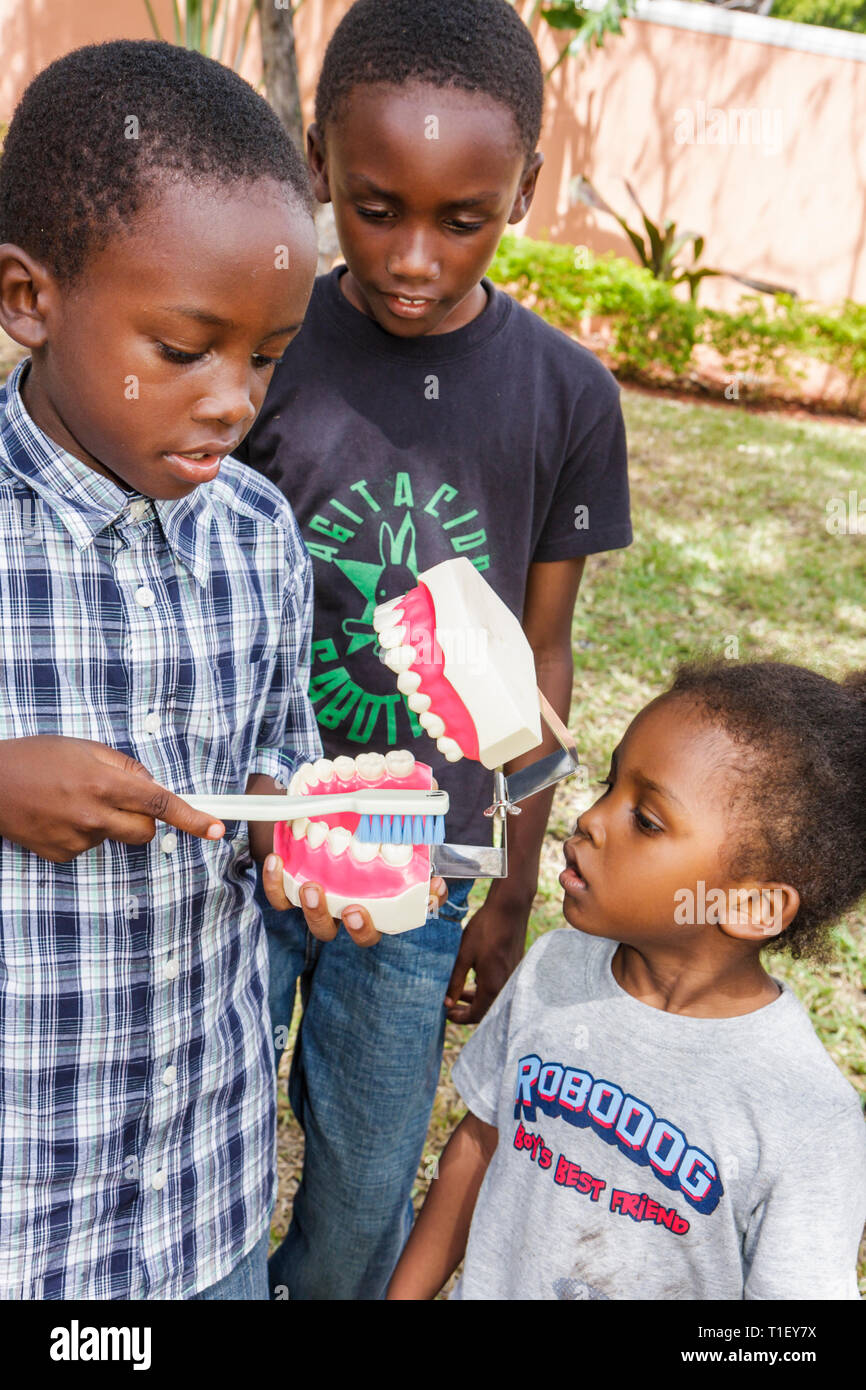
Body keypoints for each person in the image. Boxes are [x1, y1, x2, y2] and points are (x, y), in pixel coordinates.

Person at [238, 0, 632, 1299]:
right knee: (210, 1139)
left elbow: (542, 652)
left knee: (364, 1169)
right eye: (374, 205)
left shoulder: (567, 395)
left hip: (426, 858)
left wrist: (513, 879)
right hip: (246, 831)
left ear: (521, 186)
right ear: (316, 166)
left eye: (459, 217)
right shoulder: (257, 339)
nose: (412, 255)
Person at [0, 39, 388, 1301]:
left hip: (197, 1188)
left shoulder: (259, 533)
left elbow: (280, 751)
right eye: (184, 349)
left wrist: (304, 828)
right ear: (29, 296)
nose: (233, 400)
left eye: (267, 356)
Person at [387, 659, 866, 1300]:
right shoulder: (554, 970)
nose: (590, 818)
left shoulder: (805, 1116)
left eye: (646, 820)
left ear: (753, 906)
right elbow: (476, 1146)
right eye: (611, 784)